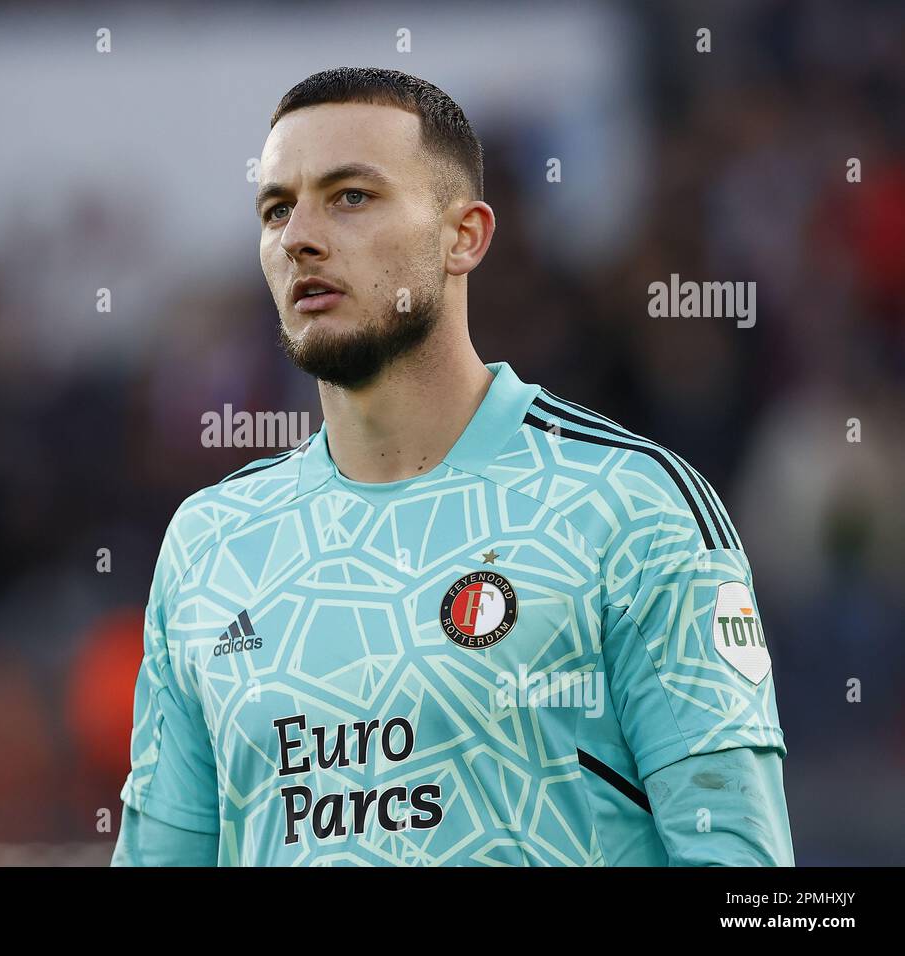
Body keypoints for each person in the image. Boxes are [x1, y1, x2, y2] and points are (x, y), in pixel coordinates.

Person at [111, 67, 793, 866]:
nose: (298, 235)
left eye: (351, 196)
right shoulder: (209, 544)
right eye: (275, 208)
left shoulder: (629, 507)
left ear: (463, 235)